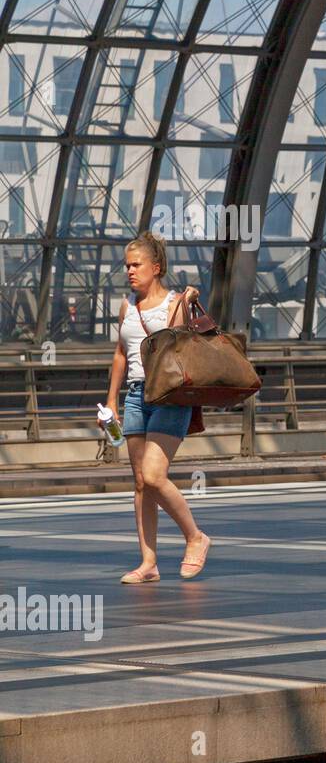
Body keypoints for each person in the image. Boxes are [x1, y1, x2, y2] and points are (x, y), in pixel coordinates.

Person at [104, 232, 211, 584]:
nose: (130, 271)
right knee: (140, 483)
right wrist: (111, 401)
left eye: (136, 265)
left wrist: (188, 300)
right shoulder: (126, 307)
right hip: (136, 395)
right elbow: (121, 355)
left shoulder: (175, 303)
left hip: (169, 396)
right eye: (127, 265)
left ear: (156, 267)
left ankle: (195, 537)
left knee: (153, 475)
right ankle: (148, 562)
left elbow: (183, 350)